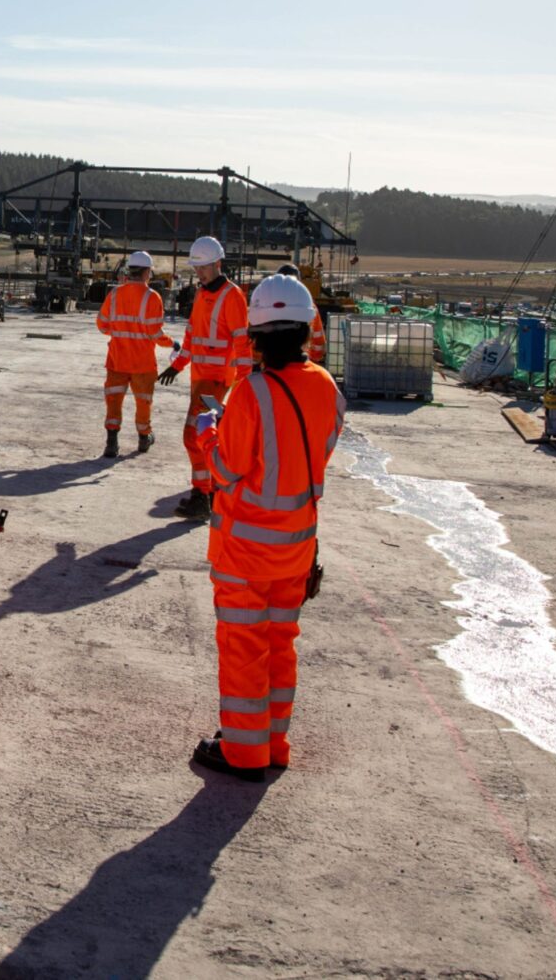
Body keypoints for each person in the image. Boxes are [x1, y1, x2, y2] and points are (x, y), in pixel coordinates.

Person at [190, 273, 346, 781]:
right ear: (305, 331)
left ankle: (243, 752)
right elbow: (317, 452)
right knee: (280, 645)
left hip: (244, 553)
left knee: (243, 651)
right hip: (296, 549)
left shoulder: (250, 392)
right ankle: (274, 744)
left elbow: (227, 469)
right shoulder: (326, 387)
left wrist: (208, 432)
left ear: (255, 336)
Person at [157, 236, 251, 519]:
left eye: (204, 267)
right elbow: (192, 335)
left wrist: (246, 385)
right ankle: (208, 494)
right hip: (200, 379)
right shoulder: (201, 294)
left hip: (216, 380)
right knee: (202, 435)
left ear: (218, 264)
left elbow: (242, 343)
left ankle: (204, 494)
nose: (199, 272)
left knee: (194, 435)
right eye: (196, 268)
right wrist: (179, 364)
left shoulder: (232, 296)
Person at [96, 250, 172, 457]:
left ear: (130, 271)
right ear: (147, 272)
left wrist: (121, 334)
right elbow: (156, 334)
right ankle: (143, 438)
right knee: (143, 401)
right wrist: (173, 344)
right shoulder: (152, 298)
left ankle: (111, 444)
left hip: (117, 360)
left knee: (113, 401)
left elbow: (102, 326)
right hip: (142, 363)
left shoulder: (114, 294)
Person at [277, 262, 326, 365]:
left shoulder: (268, 304)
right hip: (301, 363)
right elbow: (318, 341)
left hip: (273, 364)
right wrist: (314, 359)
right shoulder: (310, 305)